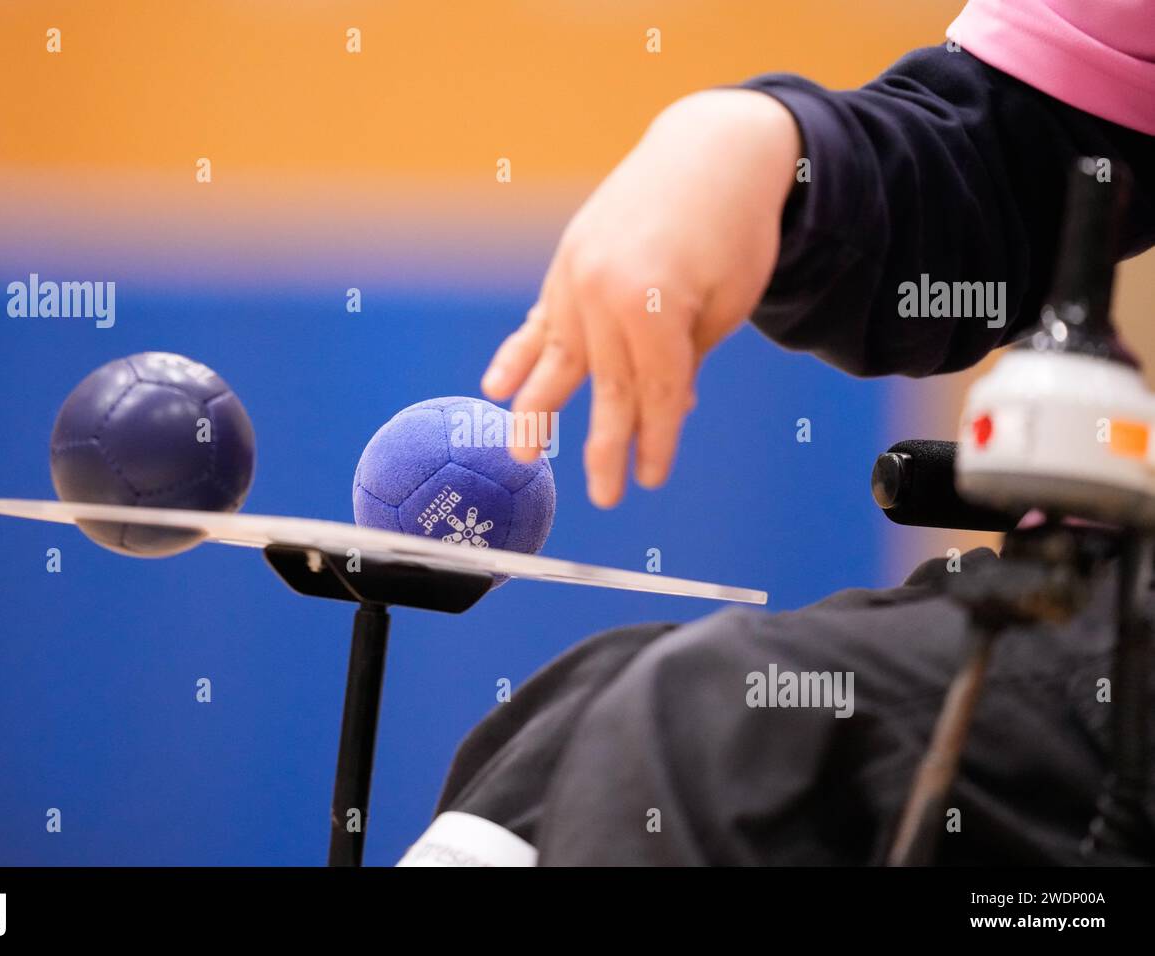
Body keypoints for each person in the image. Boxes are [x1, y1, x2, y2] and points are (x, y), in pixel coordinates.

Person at [398, 0, 1155, 865]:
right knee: (565, 729)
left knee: (714, 729)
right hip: (1107, 595)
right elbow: (1008, 158)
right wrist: (774, 151)